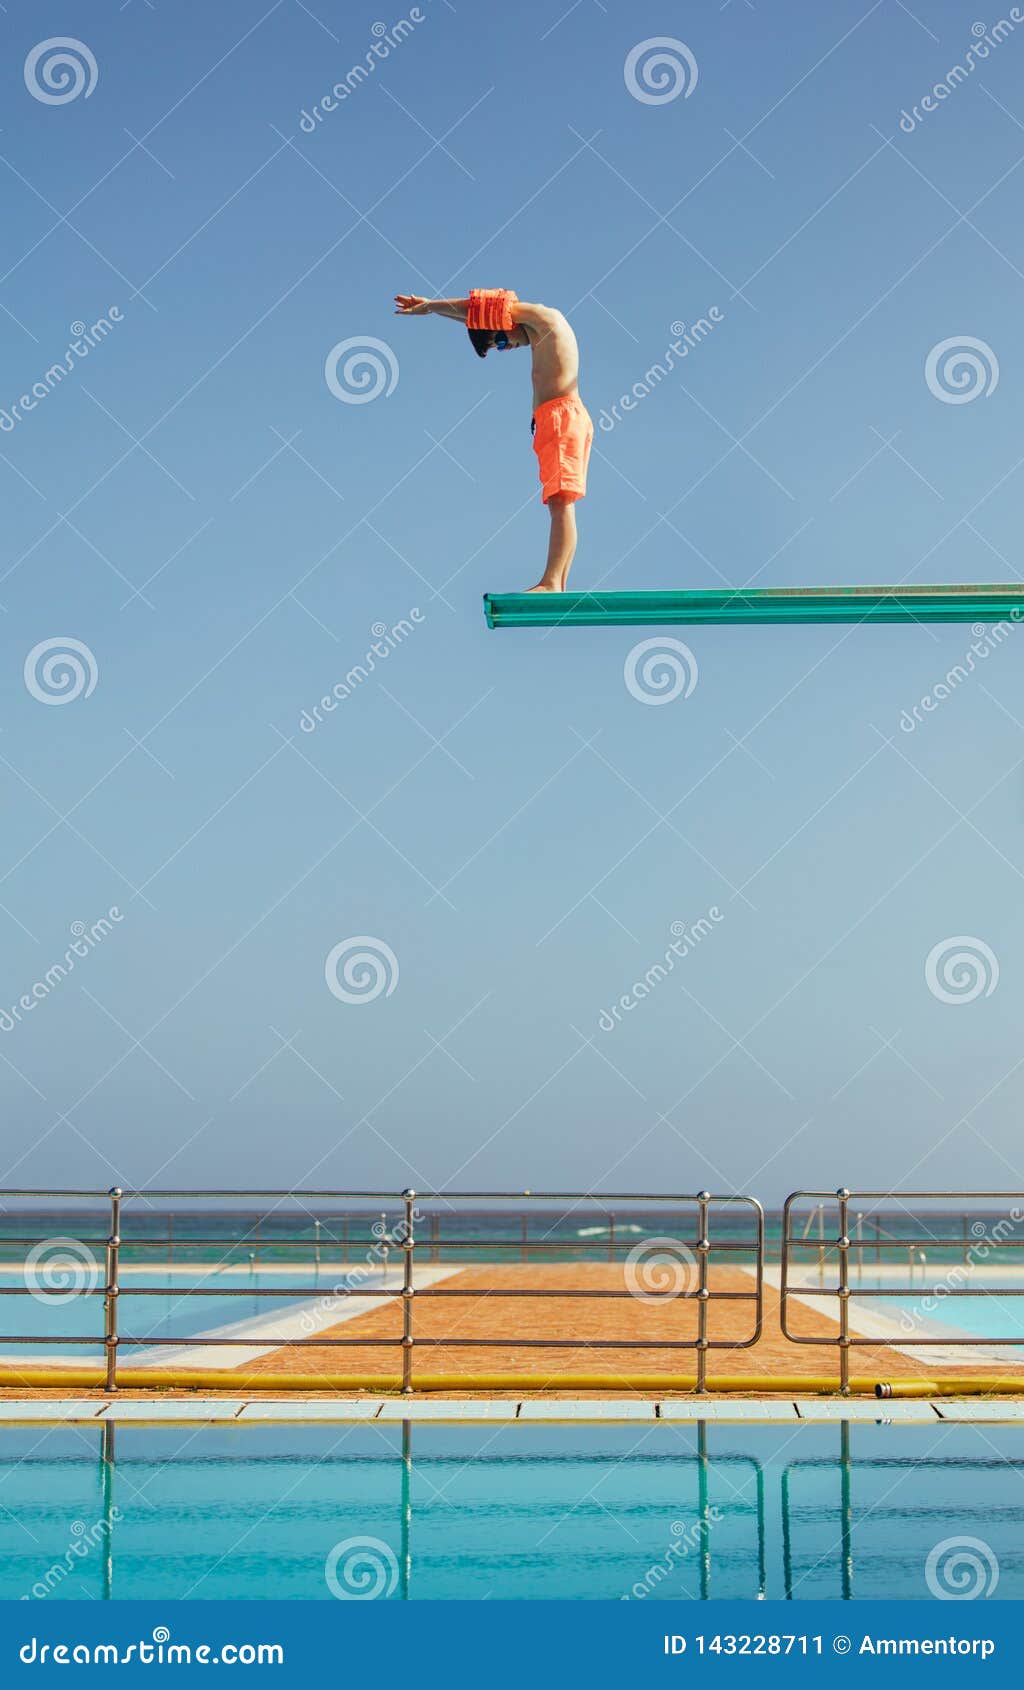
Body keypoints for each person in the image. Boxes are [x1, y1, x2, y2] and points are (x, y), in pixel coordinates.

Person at [394, 289, 593, 592]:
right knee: (559, 503)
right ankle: (558, 584)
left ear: (504, 319)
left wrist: (432, 307)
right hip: (555, 419)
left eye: (499, 340)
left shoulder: (545, 318)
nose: (506, 347)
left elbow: (478, 308)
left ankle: (552, 582)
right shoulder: (541, 332)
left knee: (561, 504)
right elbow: (481, 314)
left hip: (561, 418)